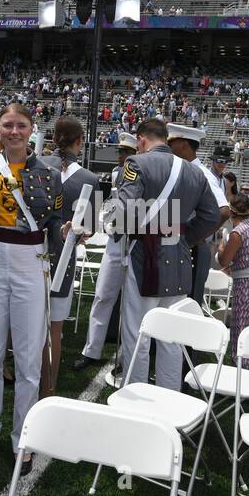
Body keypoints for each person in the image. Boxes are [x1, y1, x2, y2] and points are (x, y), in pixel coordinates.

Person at [0, 103, 65, 475]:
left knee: (28, 356)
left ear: (31, 130)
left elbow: (55, 219)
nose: (14, 131)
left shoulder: (49, 172)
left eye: (20, 125)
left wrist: (67, 231)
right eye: (8, 125)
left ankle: (21, 434)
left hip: (31, 260)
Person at [110, 118, 220, 390]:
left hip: (144, 257)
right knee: (172, 334)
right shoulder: (196, 172)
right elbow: (212, 216)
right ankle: (169, 397)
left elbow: (124, 213)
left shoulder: (135, 164)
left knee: (137, 332)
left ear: (141, 140)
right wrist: (182, 237)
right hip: (180, 256)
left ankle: (134, 397)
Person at [42, 116, 99, 392]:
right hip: (62, 259)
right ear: (80, 142)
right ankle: (48, 386)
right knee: (55, 330)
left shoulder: (37, 166)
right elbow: (89, 230)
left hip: (31, 253)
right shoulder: (90, 178)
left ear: (53, 139)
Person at [72, 131, 137, 373]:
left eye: (127, 152)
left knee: (132, 303)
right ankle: (92, 349)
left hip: (136, 242)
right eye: (121, 152)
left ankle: (127, 356)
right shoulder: (115, 174)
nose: (122, 156)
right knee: (102, 295)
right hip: (115, 240)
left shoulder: (143, 173)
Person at [167, 123, 230, 302]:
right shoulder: (184, 169)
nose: (169, 146)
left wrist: (195, 237)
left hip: (192, 248)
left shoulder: (201, 173)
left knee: (189, 302)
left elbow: (224, 211)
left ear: (184, 144)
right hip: (181, 245)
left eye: (173, 142)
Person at [217, 193, 249, 371]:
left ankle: (245, 383)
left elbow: (223, 260)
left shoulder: (237, 233)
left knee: (240, 337)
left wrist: (221, 248)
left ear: (232, 212)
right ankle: (247, 377)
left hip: (247, 286)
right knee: (248, 335)